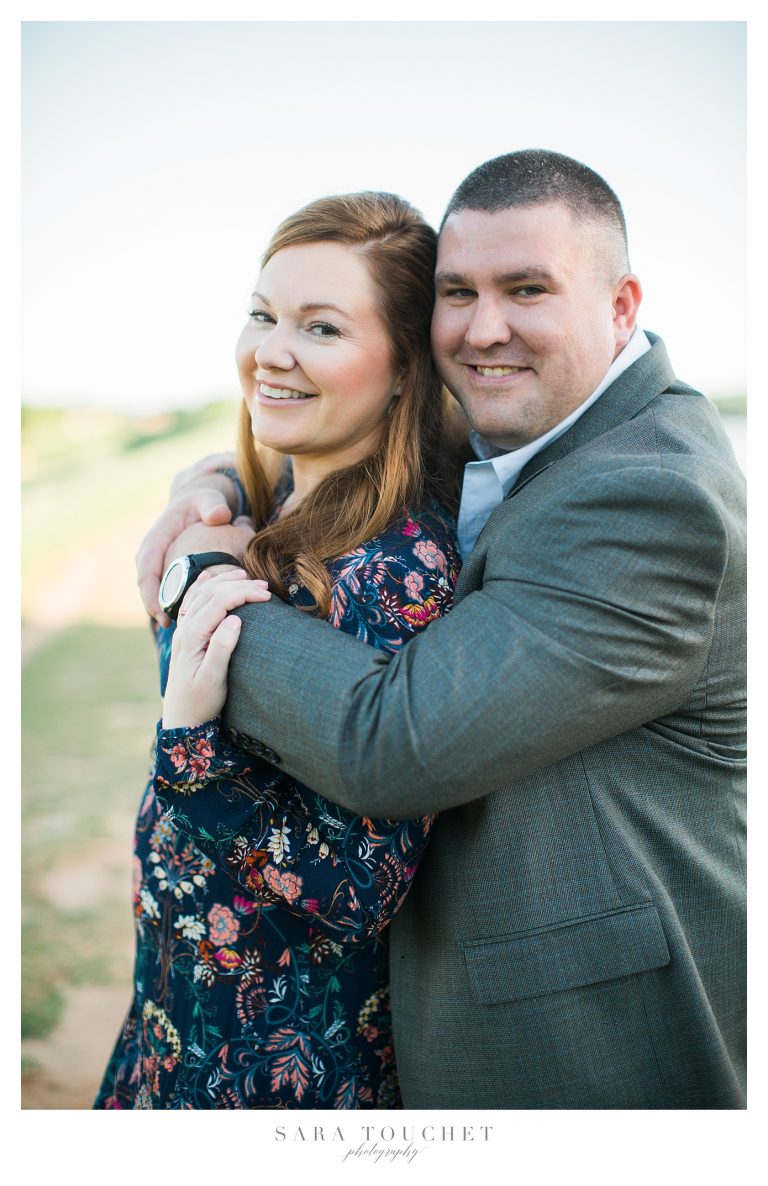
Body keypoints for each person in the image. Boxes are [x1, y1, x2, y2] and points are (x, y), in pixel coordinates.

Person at [137, 150, 746, 1110]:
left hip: (585, 1051)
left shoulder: (654, 493)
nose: (483, 327)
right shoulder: (523, 416)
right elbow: (352, 415)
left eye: (528, 288)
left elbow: (395, 742)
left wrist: (204, 586)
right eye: (457, 292)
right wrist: (220, 481)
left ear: (623, 304)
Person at [95, 191, 462, 1109]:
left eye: (321, 327)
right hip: (174, 1018)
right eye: (262, 313)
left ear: (404, 367)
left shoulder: (395, 571)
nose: (270, 350)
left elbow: (358, 884)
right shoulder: (253, 513)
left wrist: (187, 744)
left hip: (279, 1067)